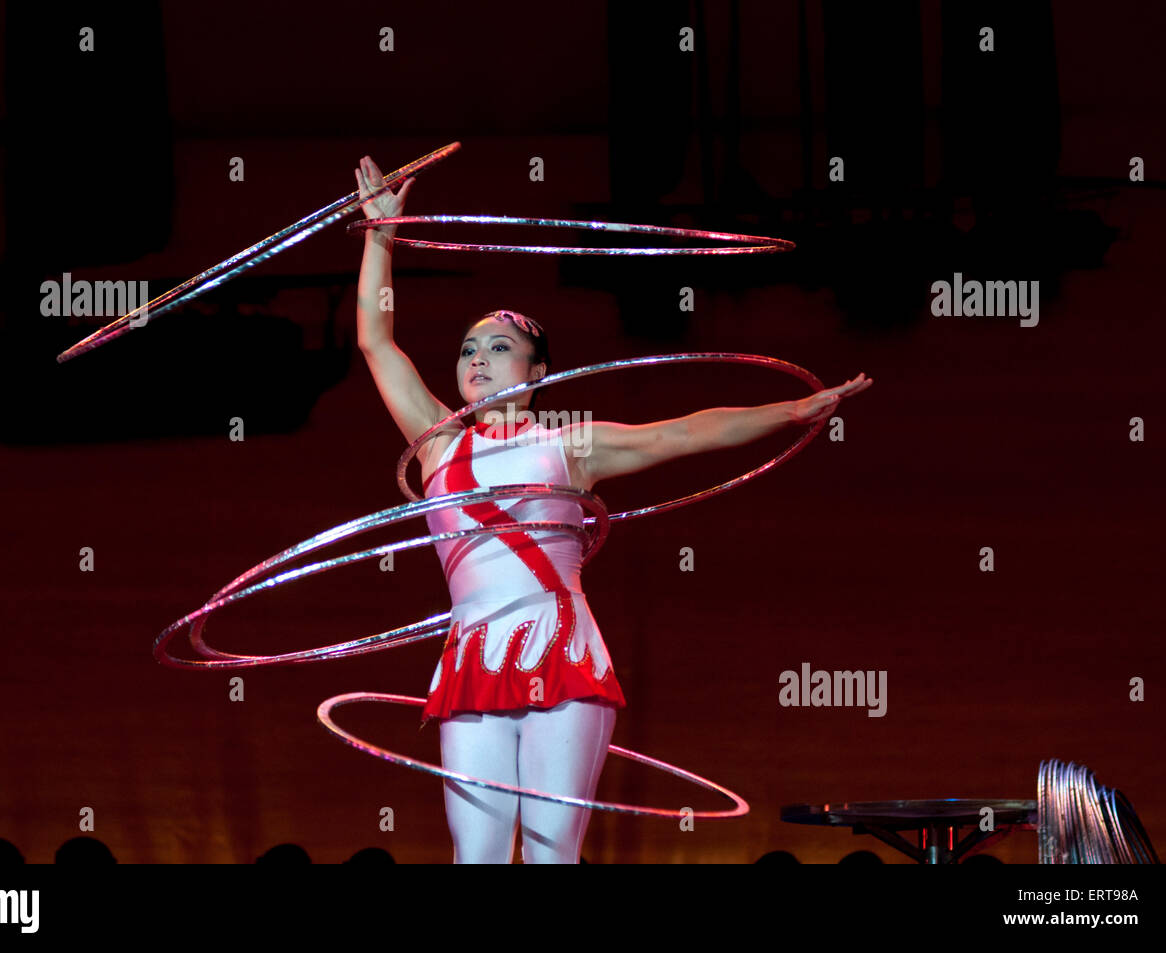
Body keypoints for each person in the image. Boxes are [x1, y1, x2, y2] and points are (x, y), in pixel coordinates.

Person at [353, 155, 872, 863]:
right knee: (474, 856)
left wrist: (792, 409)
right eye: (469, 349)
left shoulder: (570, 446)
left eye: (498, 348)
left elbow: (687, 432)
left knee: (548, 854)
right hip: (473, 657)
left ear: (539, 373)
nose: (476, 359)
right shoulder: (439, 445)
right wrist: (380, 239)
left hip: (561, 654)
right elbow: (375, 343)